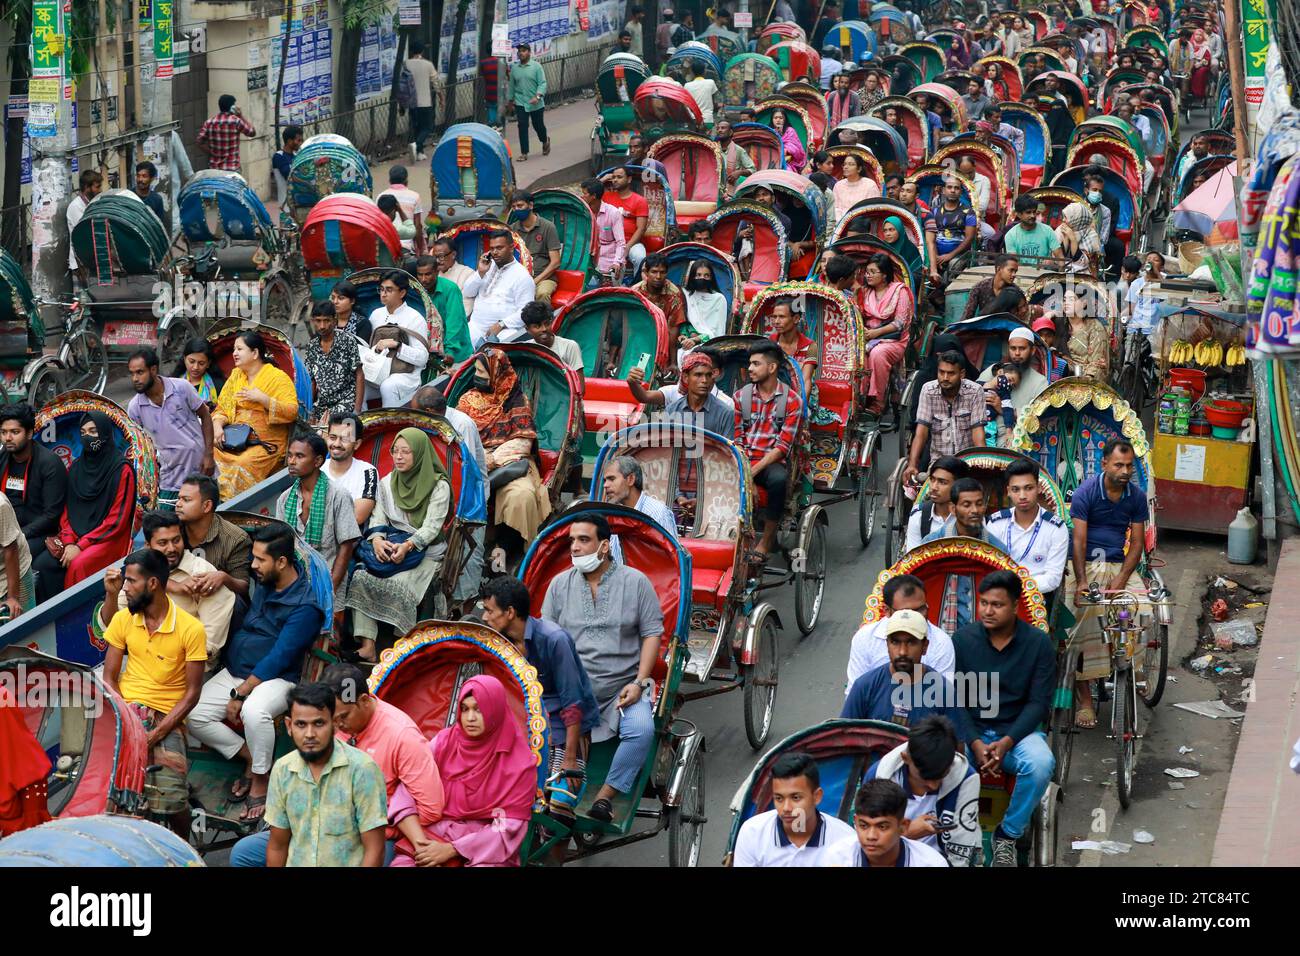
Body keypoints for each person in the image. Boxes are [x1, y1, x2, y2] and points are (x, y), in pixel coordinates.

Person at [186, 525, 327, 823]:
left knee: (254, 712)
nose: (253, 565)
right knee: (194, 713)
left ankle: (261, 778)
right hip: (237, 670)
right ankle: (250, 758)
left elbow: (279, 657)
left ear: (282, 562)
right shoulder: (266, 581)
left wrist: (242, 692)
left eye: (260, 559)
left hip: (277, 679)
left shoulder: (305, 607)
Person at [541, 513, 663, 823]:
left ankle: (605, 796)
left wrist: (639, 682)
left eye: (584, 540)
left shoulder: (636, 582)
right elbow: (546, 641)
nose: (575, 547)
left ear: (604, 546)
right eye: (572, 541)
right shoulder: (559, 585)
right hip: (571, 692)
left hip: (622, 688)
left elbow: (652, 633)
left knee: (642, 730)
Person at [951, 571, 1056, 866]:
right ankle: (959, 834)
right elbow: (956, 700)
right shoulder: (962, 640)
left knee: (1041, 764)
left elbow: (1038, 703)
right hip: (970, 733)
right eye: (983, 603)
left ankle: (1007, 835)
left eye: (997, 605)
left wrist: (1007, 742)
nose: (988, 610)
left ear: (1014, 606)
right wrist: (974, 742)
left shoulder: (1038, 644)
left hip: (1017, 734)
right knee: (941, 764)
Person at [100, 548, 206, 836]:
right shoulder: (123, 619)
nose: (125, 587)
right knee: (111, 793)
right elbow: (109, 677)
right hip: (127, 711)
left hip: (167, 718)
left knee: (172, 799)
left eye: (131, 581)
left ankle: (183, 847)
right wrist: (128, 720)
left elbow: (192, 694)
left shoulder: (191, 629)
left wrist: (156, 734)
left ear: (153, 584)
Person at [388, 675, 536, 866]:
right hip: (431, 838)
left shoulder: (519, 763)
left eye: (479, 709)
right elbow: (407, 793)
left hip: (485, 850)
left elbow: (508, 827)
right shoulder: (443, 744)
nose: (470, 718)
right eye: (465, 709)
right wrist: (422, 847)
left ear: (495, 710)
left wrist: (452, 849)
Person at [481, 577, 598, 816]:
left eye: (490, 611)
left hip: (564, 728)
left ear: (510, 612)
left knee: (558, 805)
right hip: (522, 726)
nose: (484, 617)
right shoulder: (497, 643)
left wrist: (570, 758)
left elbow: (573, 703)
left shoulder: (554, 639)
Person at [344, 427, 451, 662]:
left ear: (419, 454)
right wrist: (378, 541)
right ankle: (368, 645)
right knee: (361, 576)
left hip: (424, 551)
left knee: (401, 587)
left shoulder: (438, 486)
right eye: (395, 451)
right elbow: (378, 518)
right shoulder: (387, 482)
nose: (399, 457)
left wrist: (408, 546)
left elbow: (432, 527)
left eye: (406, 452)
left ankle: (400, 649)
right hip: (392, 544)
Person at [1067, 439, 1149, 729]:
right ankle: (1085, 699)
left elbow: (1137, 543)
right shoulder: (1086, 492)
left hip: (1118, 564)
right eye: (1118, 465)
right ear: (1104, 464)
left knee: (1142, 609)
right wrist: (1081, 581)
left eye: (1129, 466)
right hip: (1086, 562)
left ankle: (1130, 669)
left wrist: (1121, 579)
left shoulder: (1136, 496)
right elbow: (1078, 541)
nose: (1125, 471)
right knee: (1081, 618)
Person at [264, 682, 388, 867]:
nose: (309, 734)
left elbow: (375, 850)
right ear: (289, 726)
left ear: (335, 724)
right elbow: (277, 846)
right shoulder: (282, 770)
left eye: (319, 723)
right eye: (301, 724)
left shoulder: (363, 770)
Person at [96, 510, 235, 668]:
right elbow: (112, 624)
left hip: (186, 669)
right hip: (140, 662)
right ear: (148, 546)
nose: (171, 549)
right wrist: (112, 594)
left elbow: (207, 647)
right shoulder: (140, 568)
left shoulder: (202, 574)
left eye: (176, 540)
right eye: (163, 543)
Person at [32, 412, 137, 602]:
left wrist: (81, 546)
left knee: (79, 564)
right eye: (83, 432)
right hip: (75, 536)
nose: (87, 437)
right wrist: (69, 541)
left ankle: (73, 616)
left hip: (108, 538)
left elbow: (117, 520)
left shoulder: (122, 470)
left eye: (93, 431)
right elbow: (67, 511)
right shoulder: (76, 468)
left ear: (105, 434)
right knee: (43, 564)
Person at [457, 349, 552, 558]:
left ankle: (508, 547)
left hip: (511, 462)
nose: (477, 376)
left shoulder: (517, 400)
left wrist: (492, 460)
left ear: (496, 374)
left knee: (523, 495)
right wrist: (479, 458)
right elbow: (459, 436)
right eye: (475, 371)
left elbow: (522, 442)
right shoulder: (466, 400)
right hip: (472, 461)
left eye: (482, 372)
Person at [864, 715, 983, 866]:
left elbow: (961, 849)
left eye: (941, 776)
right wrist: (907, 833)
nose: (933, 786)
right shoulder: (879, 776)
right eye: (926, 777)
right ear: (905, 758)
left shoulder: (966, 778)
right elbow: (870, 846)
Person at [410, 386, 486, 605]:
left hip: (469, 496)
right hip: (438, 488)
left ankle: (465, 608)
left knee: (468, 553)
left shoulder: (462, 425)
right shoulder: (427, 423)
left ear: (429, 411)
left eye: (417, 412)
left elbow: (465, 470)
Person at [733, 340, 802, 557]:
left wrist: (751, 473)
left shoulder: (792, 401)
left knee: (779, 480)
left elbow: (782, 447)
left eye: (756, 364)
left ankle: (767, 539)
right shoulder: (740, 397)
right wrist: (748, 475)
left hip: (770, 462)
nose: (750, 368)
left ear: (772, 367)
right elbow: (737, 439)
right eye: (749, 364)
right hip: (742, 458)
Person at [211, 329, 298, 498]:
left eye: (239, 349)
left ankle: (232, 506)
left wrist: (263, 399)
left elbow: (291, 411)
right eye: (234, 349)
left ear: (255, 353)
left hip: (264, 441)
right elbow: (223, 408)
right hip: (234, 436)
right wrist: (217, 426)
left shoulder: (277, 377)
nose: (234, 353)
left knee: (242, 463)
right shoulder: (236, 375)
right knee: (206, 450)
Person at [731, 751, 856, 866]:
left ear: (817, 796)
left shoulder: (846, 840)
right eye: (779, 798)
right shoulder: (752, 834)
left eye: (795, 798)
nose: (786, 808)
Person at [841, 609, 962, 726]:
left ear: (925, 646)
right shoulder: (865, 686)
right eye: (895, 642)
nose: (903, 651)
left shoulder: (943, 691)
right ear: (887, 645)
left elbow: (958, 739)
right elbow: (844, 734)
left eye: (911, 642)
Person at [276, 433, 360, 600]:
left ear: (318, 461)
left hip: (329, 579)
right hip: (293, 584)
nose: (291, 461)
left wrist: (330, 589)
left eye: (299, 456)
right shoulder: (285, 499)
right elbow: (280, 543)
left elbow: (346, 546)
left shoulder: (338, 496)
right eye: (290, 455)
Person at [846, 573, 955, 689]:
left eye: (920, 610)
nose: (915, 618)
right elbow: (855, 691)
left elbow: (942, 694)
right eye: (906, 613)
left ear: (925, 646)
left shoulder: (941, 642)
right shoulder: (865, 638)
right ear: (887, 611)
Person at [986, 459, 1069, 599]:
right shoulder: (996, 523)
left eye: (1028, 488)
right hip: (1000, 596)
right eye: (1016, 489)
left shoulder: (1056, 528)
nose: (1022, 496)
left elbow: (1052, 578)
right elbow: (989, 567)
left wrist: (1017, 587)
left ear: (1039, 488)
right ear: (1008, 491)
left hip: (1038, 599)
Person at [823, 778, 950, 867]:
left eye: (882, 826)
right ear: (855, 821)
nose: (871, 836)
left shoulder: (930, 863)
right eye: (863, 825)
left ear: (903, 826)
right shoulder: (837, 858)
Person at [903, 350, 986, 485]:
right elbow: (921, 433)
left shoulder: (975, 391)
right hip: (938, 463)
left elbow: (978, 433)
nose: (945, 377)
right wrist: (912, 464)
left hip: (966, 463)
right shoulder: (928, 390)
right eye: (941, 372)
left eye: (951, 373)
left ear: (962, 374)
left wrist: (982, 465)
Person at [0, 404, 67, 567]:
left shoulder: (49, 463)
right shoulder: (3, 456)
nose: (8, 438)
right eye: (3, 432)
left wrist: (19, 534)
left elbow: (51, 516)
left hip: (36, 532)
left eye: (15, 432)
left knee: (5, 557)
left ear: (29, 433)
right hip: (6, 527)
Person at [629, 349, 739, 443]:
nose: (704, 380)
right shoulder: (672, 409)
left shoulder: (725, 411)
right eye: (698, 375)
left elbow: (728, 452)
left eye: (708, 375)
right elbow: (665, 447)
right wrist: (632, 382)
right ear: (686, 378)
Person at [175, 474, 252, 600]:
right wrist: (175, 585)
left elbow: (243, 587)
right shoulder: (171, 528)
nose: (178, 504)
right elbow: (149, 567)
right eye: (178, 499)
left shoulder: (235, 538)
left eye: (186, 500)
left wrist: (224, 578)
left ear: (207, 506)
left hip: (218, 600)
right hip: (180, 596)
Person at [364, 270, 430, 408]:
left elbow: (422, 358)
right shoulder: (376, 315)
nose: (383, 294)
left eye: (389, 290)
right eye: (381, 289)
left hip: (406, 375)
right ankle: (357, 420)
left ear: (402, 293)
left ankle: (390, 422)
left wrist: (397, 345)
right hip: (377, 370)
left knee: (388, 386)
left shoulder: (415, 318)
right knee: (357, 384)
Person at [465, 229, 537, 347]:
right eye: (492, 248)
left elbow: (526, 312)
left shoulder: (522, 276)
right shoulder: (487, 267)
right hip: (476, 326)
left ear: (511, 248)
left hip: (503, 330)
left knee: (503, 346)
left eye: (499, 248)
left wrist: (502, 324)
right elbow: (468, 292)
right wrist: (480, 272)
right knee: (459, 345)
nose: (495, 252)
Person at [602, 455, 679, 564]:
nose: (605, 485)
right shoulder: (613, 514)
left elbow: (672, 559)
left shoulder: (657, 513)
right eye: (605, 480)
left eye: (611, 479)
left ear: (630, 479)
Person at [303, 302, 364, 424]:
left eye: (326, 320)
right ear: (313, 321)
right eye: (318, 321)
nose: (322, 326)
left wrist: (357, 410)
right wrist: (308, 410)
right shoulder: (312, 346)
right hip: (322, 404)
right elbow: (312, 380)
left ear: (334, 320)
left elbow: (359, 375)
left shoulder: (348, 341)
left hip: (345, 401)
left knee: (330, 428)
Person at [903, 455, 971, 553]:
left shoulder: (971, 517)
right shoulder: (919, 515)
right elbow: (913, 557)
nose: (934, 487)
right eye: (932, 479)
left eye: (942, 482)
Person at [976, 326, 1050, 413]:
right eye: (1013, 348)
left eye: (1022, 348)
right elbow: (972, 395)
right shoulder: (994, 370)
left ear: (1032, 350)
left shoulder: (1040, 382)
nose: (1017, 353)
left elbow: (1038, 415)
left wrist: (1003, 409)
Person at [922, 476, 1008, 550]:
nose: (975, 510)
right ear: (953, 509)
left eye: (979, 504)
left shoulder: (998, 550)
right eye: (967, 505)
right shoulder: (931, 545)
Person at [410, 257, 470, 364]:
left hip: (455, 352)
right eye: (420, 275)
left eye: (428, 274)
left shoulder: (450, 289)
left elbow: (454, 323)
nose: (423, 279)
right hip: (431, 352)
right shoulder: (416, 291)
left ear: (437, 272)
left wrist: (450, 351)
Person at [324, 412, 378, 529]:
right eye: (332, 437)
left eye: (344, 439)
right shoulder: (316, 468)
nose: (337, 444)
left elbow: (357, 517)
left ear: (357, 444)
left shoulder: (367, 471)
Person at [508, 191, 562, 305]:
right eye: (514, 207)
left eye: (520, 206)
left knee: (542, 293)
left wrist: (534, 281)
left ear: (531, 205)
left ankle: (544, 317)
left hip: (544, 278)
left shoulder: (548, 227)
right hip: (519, 278)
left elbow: (556, 262)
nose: (517, 209)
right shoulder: (512, 230)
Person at [579, 178, 628, 287]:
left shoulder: (613, 213)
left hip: (611, 260)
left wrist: (617, 262)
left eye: (585, 194)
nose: (582, 197)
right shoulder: (583, 213)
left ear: (594, 196)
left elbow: (621, 242)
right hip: (590, 260)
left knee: (607, 289)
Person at [507, 42, 550, 161]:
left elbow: (542, 83)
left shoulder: (536, 67)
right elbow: (511, 86)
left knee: (538, 126)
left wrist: (538, 96)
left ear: (529, 52)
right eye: (519, 51)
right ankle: (524, 152)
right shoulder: (515, 68)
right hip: (521, 102)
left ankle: (545, 141)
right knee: (522, 126)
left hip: (536, 103)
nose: (521, 53)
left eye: (524, 50)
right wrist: (510, 101)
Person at [521, 301, 584, 382]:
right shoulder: (525, 351)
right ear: (527, 329)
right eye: (537, 326)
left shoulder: (570, 346)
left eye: (547, 324)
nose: (544, 329)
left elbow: (579, 385)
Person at [602, 166, 650, 274]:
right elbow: (589, 194)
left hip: (631, 243)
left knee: (640, 258)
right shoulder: (606, 197)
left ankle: (637, 283)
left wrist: (627, 247)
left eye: (619, 177)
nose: (615, 180)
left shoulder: (640, 201)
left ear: (629, 179)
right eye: (613, 177)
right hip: (609, 242)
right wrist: (602, 179)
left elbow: (641, 228)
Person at [632, 252, 687, 340]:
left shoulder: (674, 293)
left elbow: (673, 328)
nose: (658, 276)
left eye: (662, 272)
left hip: (663, 335)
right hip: (640, 333)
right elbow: (632, 322)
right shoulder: (636, 292)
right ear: (646, 272)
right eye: (654, 272)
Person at [196, 94, 256, 173]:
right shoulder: (236, 121)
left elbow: (199, 142)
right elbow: (252, 132)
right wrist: (241, 116)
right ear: (232, 107)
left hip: (214, 169)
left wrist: (212, 153)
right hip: (233, 168)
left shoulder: (209, 122)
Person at [1059, 288, 1109, 380]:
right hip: (1060, 376)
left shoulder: (1095, 327)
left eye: (1072, 299)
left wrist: (1086, 380)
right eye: (1064, 300)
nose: (1066, 303)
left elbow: (1097, 363)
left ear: (1084, 303)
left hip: (1085, 379)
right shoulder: (1058, 324)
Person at [768, 297, 818, 390]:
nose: (776, 322)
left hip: (800, 391)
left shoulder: (810, 346)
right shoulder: (771, 342)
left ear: (796, 318)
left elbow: (805, 380)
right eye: (774, 317)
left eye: (782, 317)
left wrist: (800, 400)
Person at [679, 259, 729, 350]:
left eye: (706, 275)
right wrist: (683, 336)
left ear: (711, 278)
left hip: (710, 344)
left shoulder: (719, 299)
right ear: (692, 277)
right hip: (686, 341)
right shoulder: (686, 295)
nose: (702, 278)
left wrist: (696, 340)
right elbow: (683, 322)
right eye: (698, 275)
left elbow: (717, 332)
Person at [403, 42, 441, 161]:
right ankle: (417, 144)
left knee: (417, 127)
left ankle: (419, 152)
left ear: (411, 51)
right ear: (422, 51)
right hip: (425, 102)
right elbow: (435, 82)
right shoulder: (428, 64)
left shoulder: (406, 64)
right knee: (428, 126)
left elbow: (402, 83)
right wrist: (441, 97)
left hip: (412, 102)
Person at [66, 169, 104, 279]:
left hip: (92, 261)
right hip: (80, 264)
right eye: (97, 187)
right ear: (87, 187)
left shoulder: (93, 203)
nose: (100, 190)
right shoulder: (76, 206)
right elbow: (86, 233)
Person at [961, 253, 1020, 322]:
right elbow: (967, 317)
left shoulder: (1015, 292)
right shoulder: (980, 287)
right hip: (984, 326)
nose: (1014, 275)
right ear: (999, 269)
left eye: (1015, 271)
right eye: (1011, 270)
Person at [1003, 194, 1062, 262]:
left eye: (1034, 212)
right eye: (1028, 212)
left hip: (1044, 269)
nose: (1032, 215)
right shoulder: (1010, 235)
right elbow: (1013, 263)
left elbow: (1060, 258)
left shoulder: (1047, 230)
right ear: (1019, 214)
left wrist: (1052, 263)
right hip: (1021, 269)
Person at [0, 492, 31, 620]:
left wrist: (13, 597)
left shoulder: (1, 505)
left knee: (23, 624)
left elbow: (11, 549)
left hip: (14, 573)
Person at [433, 238, 478, 319]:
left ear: (453, 254)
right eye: (435, 257)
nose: (437, 261)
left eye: (441, 256)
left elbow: (466, 308)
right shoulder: (432, 274)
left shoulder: (467, 273)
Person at [1054, 201, 1103, 275]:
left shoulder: (1091, 235)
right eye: (1063, 216)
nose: (1063, 220)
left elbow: (1081, 262)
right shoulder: (1061, 229)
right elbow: (1060, 258)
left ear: (1076, 219)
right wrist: (1065, 237)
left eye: (1066, 217)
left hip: (1082, 275)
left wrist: (1073, 239)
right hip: (1062, 272)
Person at [832, 153, 880, 222]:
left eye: (851, 164)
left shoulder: (870, 185)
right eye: (844, 164)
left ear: (859, 169)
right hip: (840, 223)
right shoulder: (838, 185)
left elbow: (873, 208)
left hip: (863, 223)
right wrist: (842, 222)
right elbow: (835, 208)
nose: (846, 167)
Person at [174, 337, 221, 406]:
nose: (195, 367)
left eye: (201, 363)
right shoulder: (174, 383)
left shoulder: (218, 385)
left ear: (208, 363)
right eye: (191, 362)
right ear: (184, 359)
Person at [271, 124, 303, 206]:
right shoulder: (279, 156)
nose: (300, 143)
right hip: (286, 203)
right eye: (298, 140)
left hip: (299, 201)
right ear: (289, 141)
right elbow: (288, 175)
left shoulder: (297, 156)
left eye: (301, 140)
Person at [683, 58, 721, 127]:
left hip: (693, 120)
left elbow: (687, 105)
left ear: (692, 72)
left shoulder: (687, 85)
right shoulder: (710, 82)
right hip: (708, 119)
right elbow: (713, 102)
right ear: (704, 71)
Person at [134, 161, 168, 232]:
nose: (140, 179)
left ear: (152, 178)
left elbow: (159, 226)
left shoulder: (157, 200)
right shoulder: (128, 195)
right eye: (138, 176)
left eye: (144, 176)